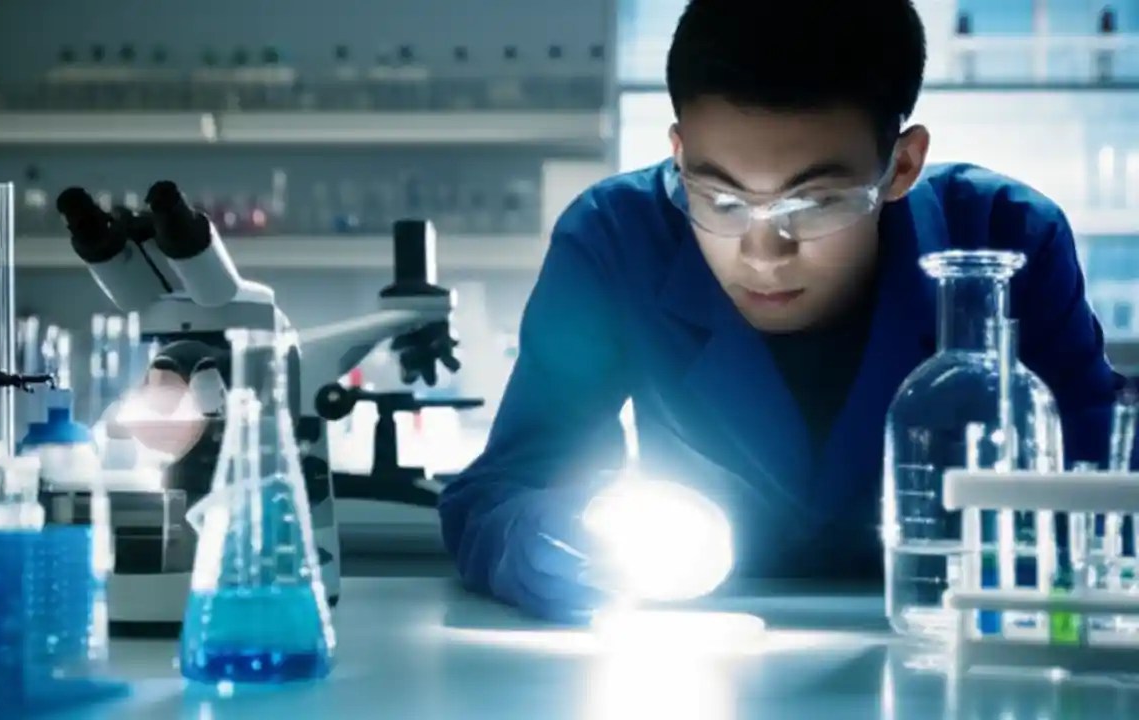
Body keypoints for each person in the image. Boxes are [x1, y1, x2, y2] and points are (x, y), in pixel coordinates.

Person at [438, 0, 1122, 622]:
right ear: (678, 159)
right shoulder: (617, 238)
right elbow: (498, 491)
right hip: (700, 655)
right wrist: (557, 536)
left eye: (816, 201)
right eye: (720, 198)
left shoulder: (1006, 239)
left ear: (902, 166)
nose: (763, 252)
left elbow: (1104, 498)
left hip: (960, 650)